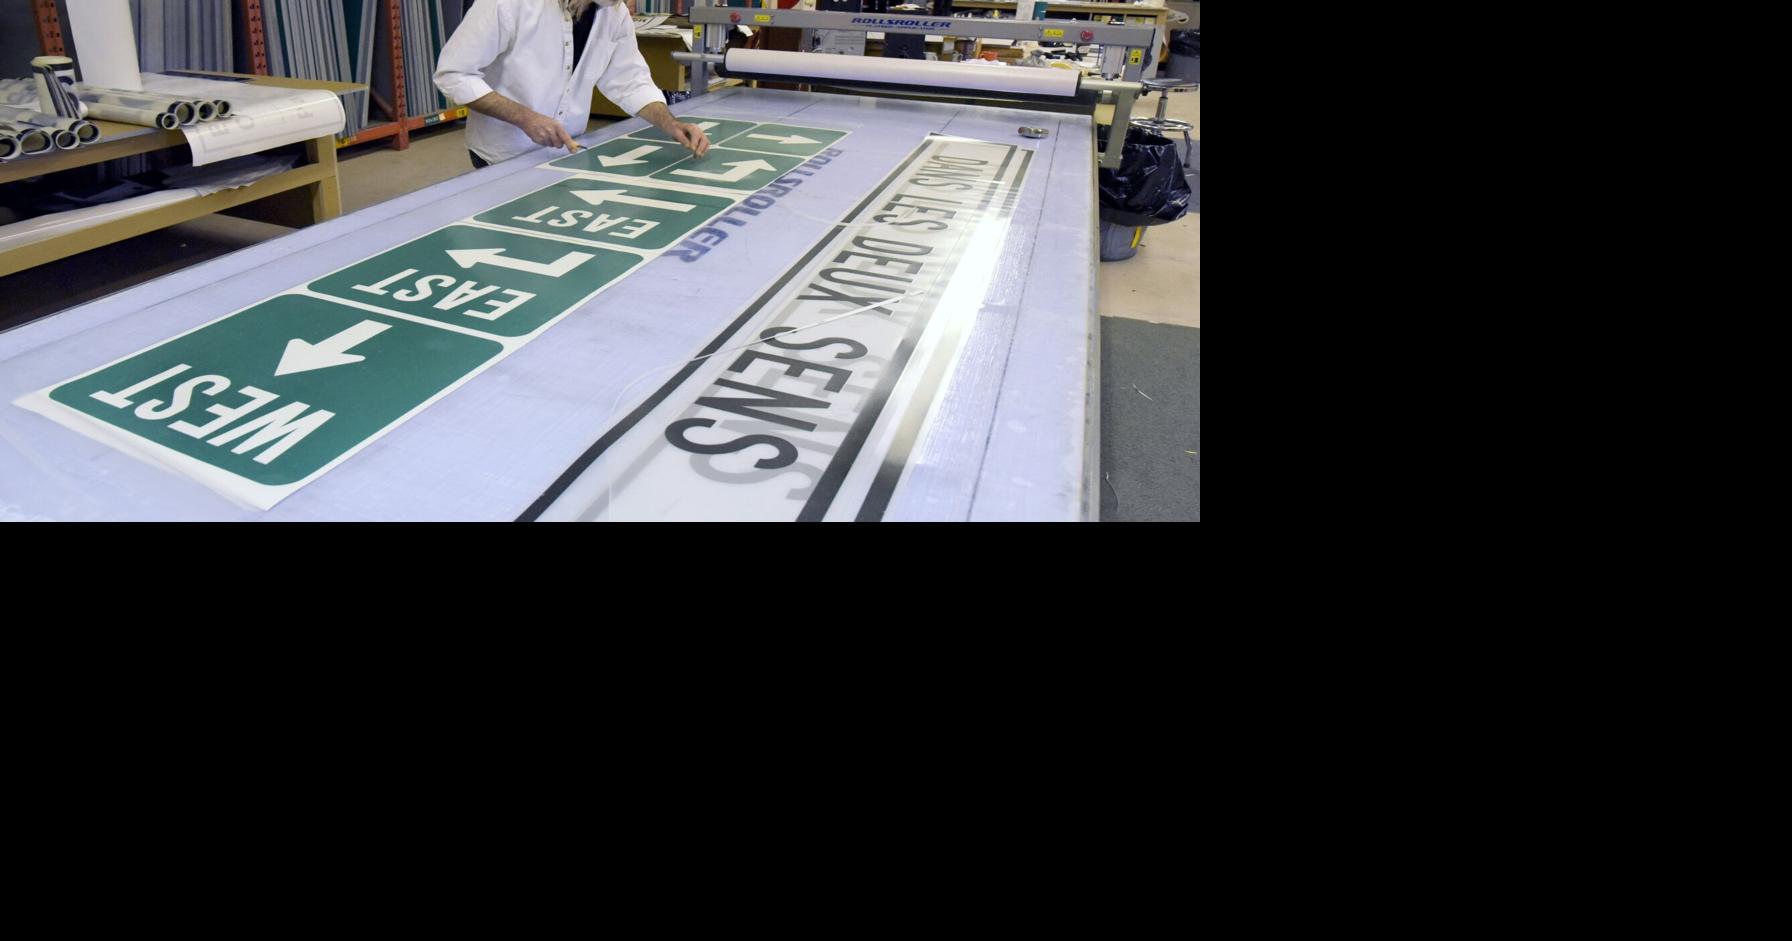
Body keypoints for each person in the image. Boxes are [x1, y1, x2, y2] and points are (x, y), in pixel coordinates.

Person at [435, 0, 711, 169]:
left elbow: (629, 80)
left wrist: (671, 123)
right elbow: (453, 74)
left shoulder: (613, 13)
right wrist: (525, 118)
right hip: (503, 156)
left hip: (566, 153)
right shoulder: (508, 3)